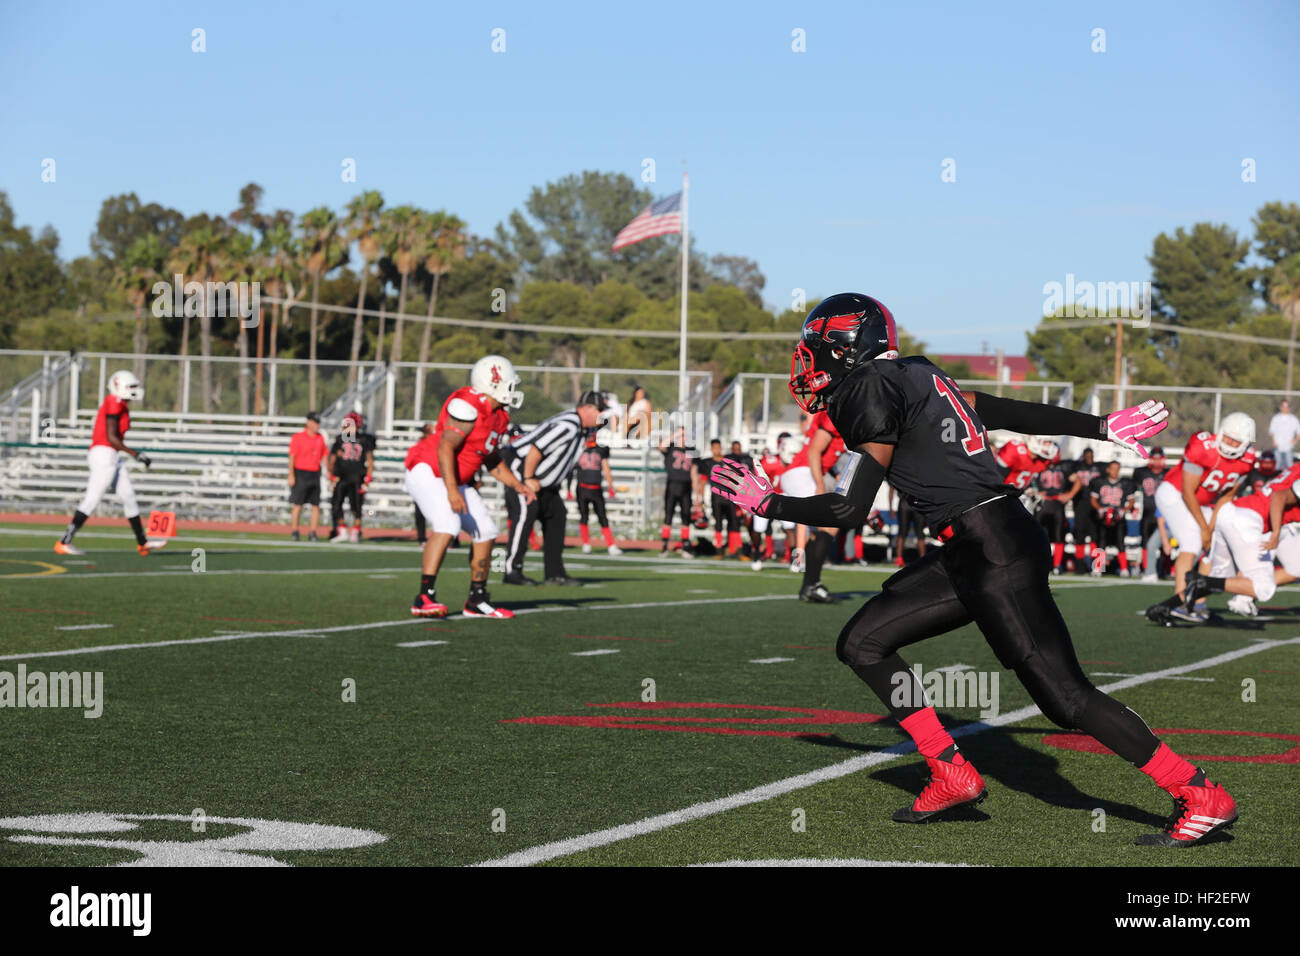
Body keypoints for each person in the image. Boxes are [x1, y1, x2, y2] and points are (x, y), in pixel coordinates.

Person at [711, 291, 1236, 848]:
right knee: (864, 642)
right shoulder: (916, 373)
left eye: (817, 349)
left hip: (993, 549)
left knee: (1067, 700)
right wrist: (1100, 426)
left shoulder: (865, 387)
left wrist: (767, 503)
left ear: (846, 346)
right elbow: (997, 407)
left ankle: (1199, 792)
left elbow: (847, 509)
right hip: (975, 545)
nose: (809, 362)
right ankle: (951, 772)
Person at [405, 355, 534, 618]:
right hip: (429, 470)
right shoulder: (468, 404)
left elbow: (490, 459)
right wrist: (452, 490)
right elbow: (445, 446)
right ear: (495, 383)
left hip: (454, 477)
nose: (513, 389)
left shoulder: (499, 416)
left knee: (486, 530)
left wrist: (518, 485)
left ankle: (477, 598)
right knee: (448, 525)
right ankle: (423, 596)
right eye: (509, 383)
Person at [1145, 415, 1256, 624]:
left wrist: (1212, 527)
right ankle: (1180, 603)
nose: (1230, 444)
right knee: (1192, 542)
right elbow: (1188, 491)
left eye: (1236, 441)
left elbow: (1226, 497)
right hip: (1174, 493)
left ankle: (1198, 602)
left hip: (1203, 503)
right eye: (1228, 438)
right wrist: (1204, 528)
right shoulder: (1202, 446)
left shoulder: (1247, 460)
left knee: (1214, 545)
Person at [54, 370, 163, 557]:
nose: (135, 390)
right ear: (119, 387)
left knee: (128, 496)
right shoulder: (114, 402)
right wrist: (135, 454)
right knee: (92, 499)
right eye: (131, 387)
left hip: (112, 455)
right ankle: (64, 542)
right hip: (104, 454)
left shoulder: (120, 404)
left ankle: (142, 543)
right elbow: (112, 437)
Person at [503, 390, 607, 586]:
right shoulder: (567, 425)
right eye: (600, 410)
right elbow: (536, 448)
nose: (602, 415)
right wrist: (528, 478)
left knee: (557, 515)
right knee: (526, 514)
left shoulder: (583, 429)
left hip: (545, 483)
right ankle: (511, 570)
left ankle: (554, 572)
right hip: (521, 470)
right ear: (587, 409)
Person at [1182, 461, 1300, 619]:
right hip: (1252, 520)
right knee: (1263, 588)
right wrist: (1276, 533)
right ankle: (1205, 585)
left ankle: (1174, 605)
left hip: (1240, 513)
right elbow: (1278, 497)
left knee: (1221, 575)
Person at [780, 408, 847, 601]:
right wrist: (819, 485)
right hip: (802, 473)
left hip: (802, 473)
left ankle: (809, 586)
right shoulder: (835, 416)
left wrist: (834, 476)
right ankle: (809, 580)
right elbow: (814, 451)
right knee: (830, 525)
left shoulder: (840, 420)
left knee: (821, 530)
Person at [1031, 442, 1079, 574]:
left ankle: (1057, 565)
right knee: (1035, 534)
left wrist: (1069, 495)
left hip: (1057, 503)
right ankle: (1035, 563)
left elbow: (1078, 481)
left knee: (1058, 536)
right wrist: (1035, 492)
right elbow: (1029, 480)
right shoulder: (1039, 465)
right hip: (1043, 503)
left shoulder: (1064, 466)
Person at [572, 431, 622, 555]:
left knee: (603, 517)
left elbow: (606, 468)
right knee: (584, 516)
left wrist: (611, 486)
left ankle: (610, 545)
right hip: (582, 488)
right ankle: (586, 544)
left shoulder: (601, 450)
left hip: (595, 488)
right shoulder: (578, 449)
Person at [328, 411, 375, 543]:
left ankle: (355, 530)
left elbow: (370, 460)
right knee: (336, 504)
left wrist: (368, 479)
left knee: (357, 506)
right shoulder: (340, 439)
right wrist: (331, 476)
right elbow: (331, 460)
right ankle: (342, 529)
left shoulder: (365, 439)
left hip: (357, 477)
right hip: (341, 477)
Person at [286, 412, 330, 541]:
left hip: (315, 473)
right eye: (315, 422)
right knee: (298, 504)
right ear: (309, 422)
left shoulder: (320, 438)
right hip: (301, 473)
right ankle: (295, 531)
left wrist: (328, 470)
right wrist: (291, 474)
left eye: (318, 423)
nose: (317, 425)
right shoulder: (298, 437)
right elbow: (292, 456)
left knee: (316, 505)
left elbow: (324, 455)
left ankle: (312, 532)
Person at [1088, 460, 1136, 576]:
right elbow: (1093, 499)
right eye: (1113, 468)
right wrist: (1099, 508)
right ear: (1108, 469)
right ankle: (1098, 567)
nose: (1116, 471)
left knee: (1120, 542)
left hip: (1118, 516)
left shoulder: (1125, 483)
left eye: (1118, 469)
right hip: (1104, 515)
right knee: (1101, 541)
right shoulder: (1100, 482)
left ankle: (1124, 569)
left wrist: (1123, 510)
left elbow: (1131, 500)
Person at [695, 439, 741, 559]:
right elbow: (703, 480)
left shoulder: (728, 461)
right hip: (716, 497)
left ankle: (735, 549)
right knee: (718, 524)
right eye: (714, 448)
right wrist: (700, 497)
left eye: (718, 447)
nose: (717, 450)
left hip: (729, 496)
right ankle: (719, 550)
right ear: (711, 449)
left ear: (721, 448)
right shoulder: (708, 463)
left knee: (734, 523)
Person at [658, 428, 698, 555]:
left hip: (686, 487)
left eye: (685, 436)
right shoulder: (671, 447)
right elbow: (661, 446)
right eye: (682, 436)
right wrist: (676, 433)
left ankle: (685, 546)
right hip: (672, 485)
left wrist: (697, 493)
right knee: (668, 516)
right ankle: (664, 546)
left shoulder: (691, 450)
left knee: (686, 517)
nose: (684, 439)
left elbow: (694, 472)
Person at [1130, 445, 1168, 577]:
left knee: (1166, 543)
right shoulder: (1141, 472)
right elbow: (1131, 490)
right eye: (1154, 459)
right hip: (1148, 512)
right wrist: (1133, 505)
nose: (1157, 462)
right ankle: (1147, 569)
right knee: (1145, 542)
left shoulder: (1169, 473)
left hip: (1165, 514)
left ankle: (1165, 569)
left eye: (1159, 459)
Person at [1068, 447, 1102, 573]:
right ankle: (1080, 567)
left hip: (1095, 505)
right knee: (1080, 536)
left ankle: (1098, 566)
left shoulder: (1100, 467)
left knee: (1096, 536)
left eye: (1091, 455)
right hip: (1080, 504)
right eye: (1087, 455)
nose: (1089, 458)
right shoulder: (1076, 467)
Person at [1268, 400, 1299, 469]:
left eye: (1287, 406)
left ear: (1289, 408)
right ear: (1280, 407)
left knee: (1289, 466)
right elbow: (1272, 431)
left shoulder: (1293, 419)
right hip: (1278, 446)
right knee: (1278, 465)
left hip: (1288, 446)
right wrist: (1274, 442)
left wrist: (1295, 441)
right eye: (1283, 406)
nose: (1285, 408)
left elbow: (1298, 432)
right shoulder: (1276, 418)